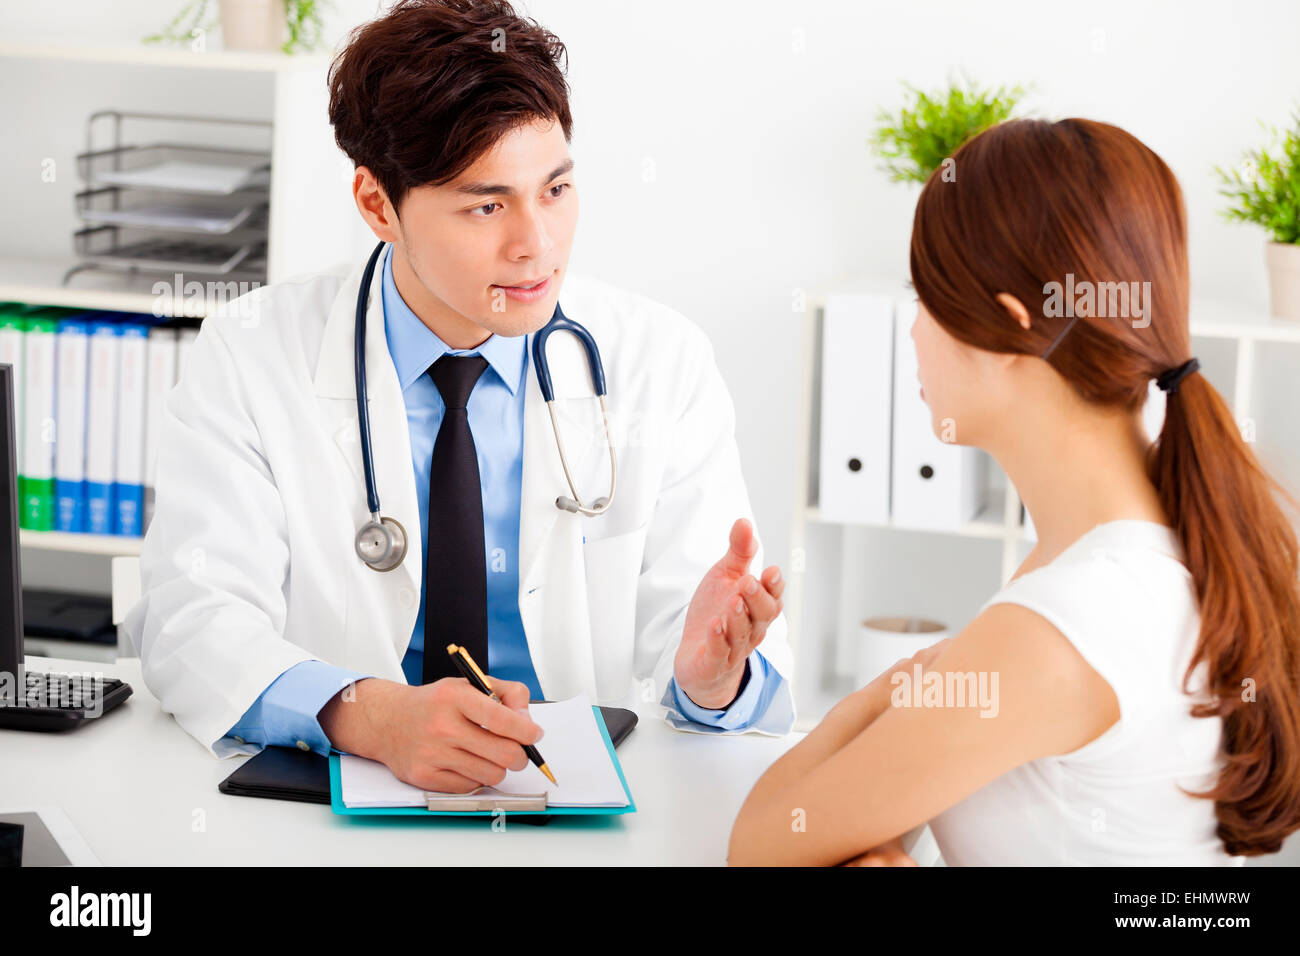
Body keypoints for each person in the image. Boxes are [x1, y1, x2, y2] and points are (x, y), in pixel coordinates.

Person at [125, 0, 794, 794]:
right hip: (337, 801)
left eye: (555, 189)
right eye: (487, 205)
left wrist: (709, 680)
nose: (535, 244)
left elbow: (703, 662)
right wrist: (369, 715)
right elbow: (191, 620)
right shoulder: (252, 352)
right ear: (378, 205)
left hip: (578, 812)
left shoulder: (661, 362)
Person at [729, 117, 1300, 865]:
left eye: (925, 297)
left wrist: (890, 692)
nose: (913, 333)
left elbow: (760, 844)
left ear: (1008, 331)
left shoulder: (1062, 625)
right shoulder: (1143, 548)